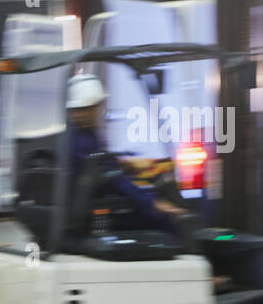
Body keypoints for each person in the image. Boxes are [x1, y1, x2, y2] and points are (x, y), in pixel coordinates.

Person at [65, 73, 186, 233]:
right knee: (165, 220)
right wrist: (155, 204)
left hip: (90, 205)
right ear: (93, 107)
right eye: (96, 106)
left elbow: (102, 168)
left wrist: (123, 165)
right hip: (99, 211)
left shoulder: (74, 138)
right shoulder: (85, 142)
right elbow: (119, 182)